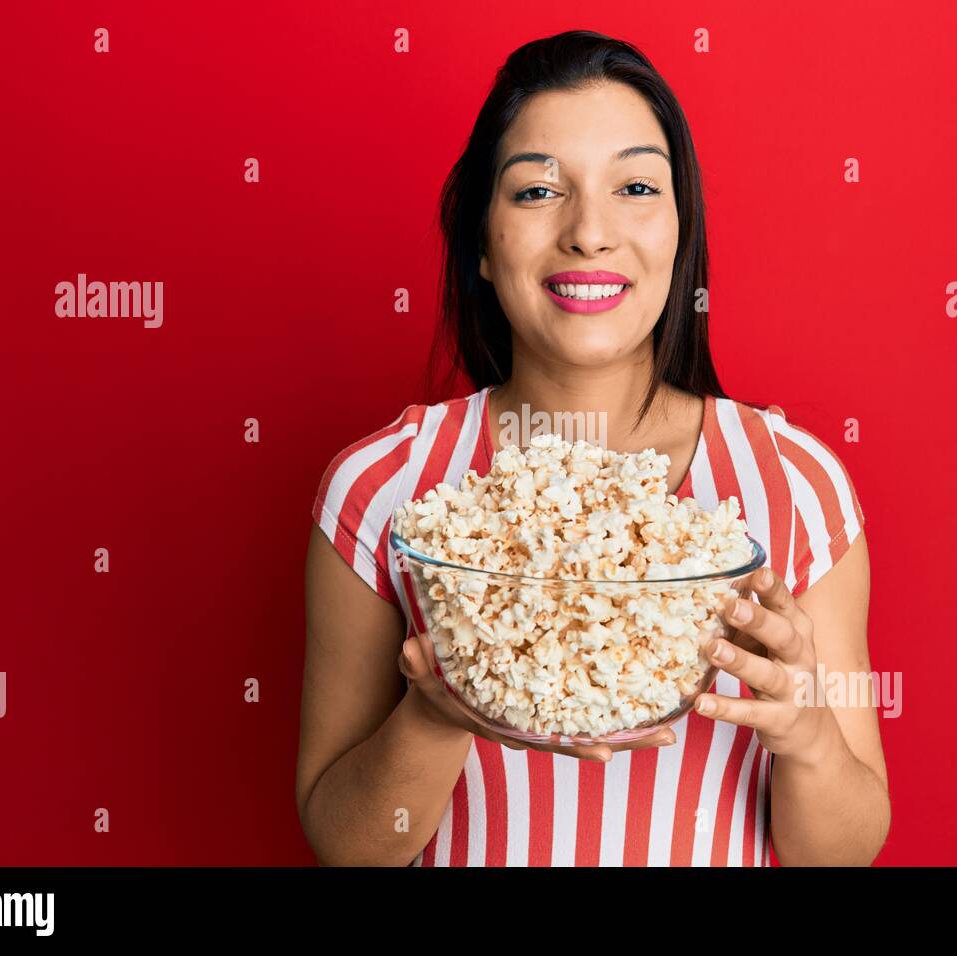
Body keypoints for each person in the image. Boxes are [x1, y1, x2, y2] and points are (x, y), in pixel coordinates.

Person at [297, 30, 889, 866]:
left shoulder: (796, 485)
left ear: (682, 235)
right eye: (538, 191)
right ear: (480, 243)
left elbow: (845, 850)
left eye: (637, 186)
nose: (589, 232)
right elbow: (346, 843)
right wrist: (435, 713)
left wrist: (808, 735)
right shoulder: (381, 487)